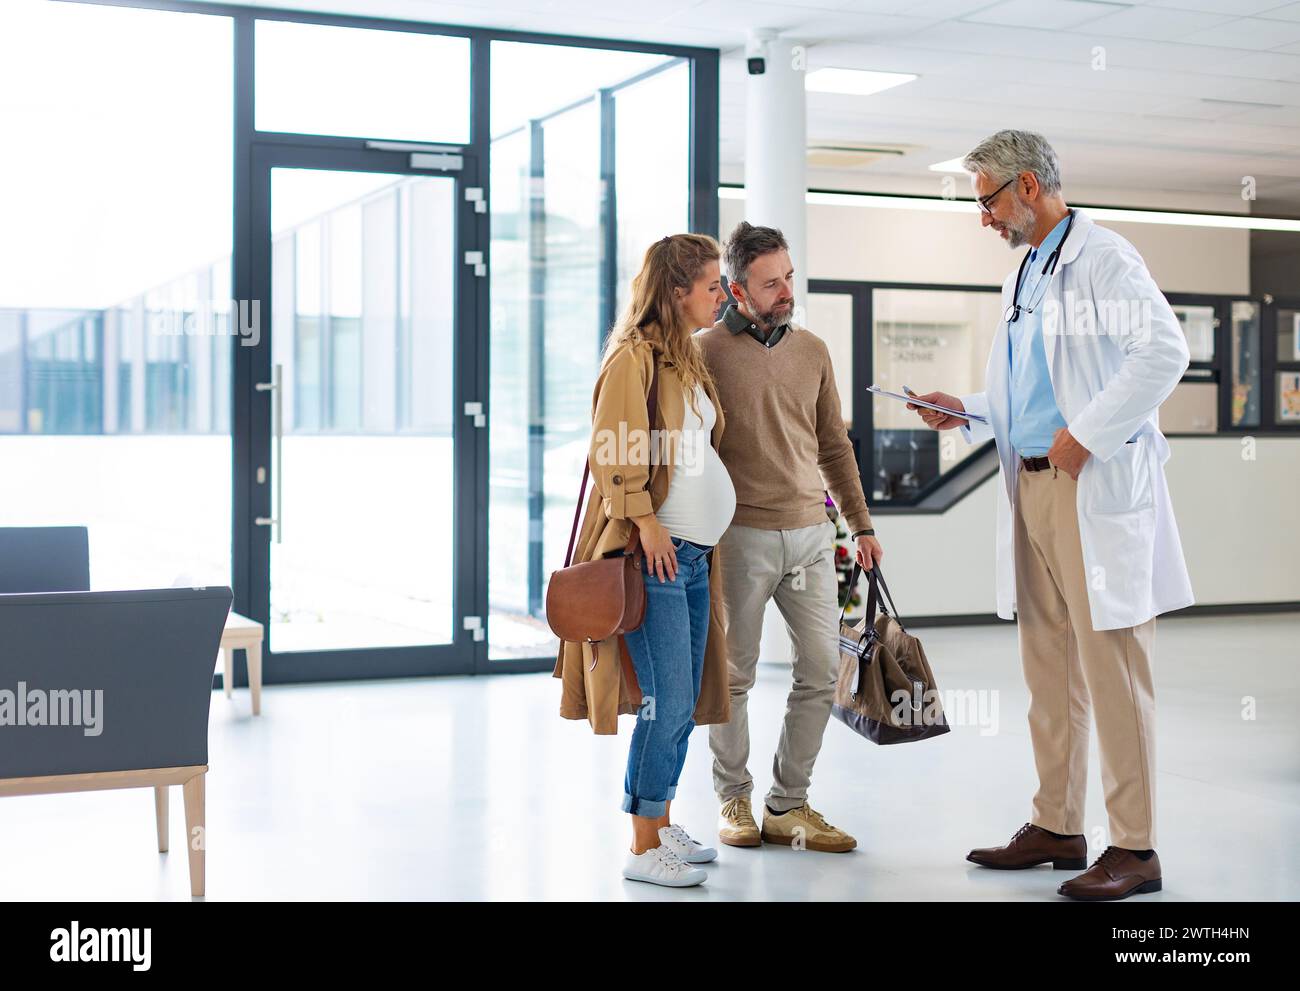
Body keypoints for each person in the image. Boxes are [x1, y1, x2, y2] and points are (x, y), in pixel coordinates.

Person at [908, 130, 1193, 901]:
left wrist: (1087, 435)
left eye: (988, 201)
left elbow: (1164, 352)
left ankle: (1135, 847)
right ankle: (1059, 823)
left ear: (1028, 187)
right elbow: (1023, 391)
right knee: (1049, 666)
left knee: (1113, 666)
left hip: (1089, 485)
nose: (984, 218)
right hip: (1030, 483)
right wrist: (963, 407)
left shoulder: (1104, 258)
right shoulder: (1025, 274)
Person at [553, 234, 736, 888]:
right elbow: (613, 448)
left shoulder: (683, 357)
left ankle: (658, 825)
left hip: (691, 559)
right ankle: (641, 844)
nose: (724, 294)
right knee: (669, 700)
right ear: (675, 289)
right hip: (652, 557)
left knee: (680, 702)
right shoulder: (632, 358)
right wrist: (648, 522)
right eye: (713, 284)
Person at [699, 222, 883, 854]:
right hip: (738, 536)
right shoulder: (704, 353)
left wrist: (860, 524)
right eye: (770, 282)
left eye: (789, 277)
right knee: (733, 676)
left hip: (811, 533)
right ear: (735, 289)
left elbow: (834, 444)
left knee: (823, 668)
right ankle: (733, 796)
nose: (785, 291)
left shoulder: (813, 350)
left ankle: (788, 803)